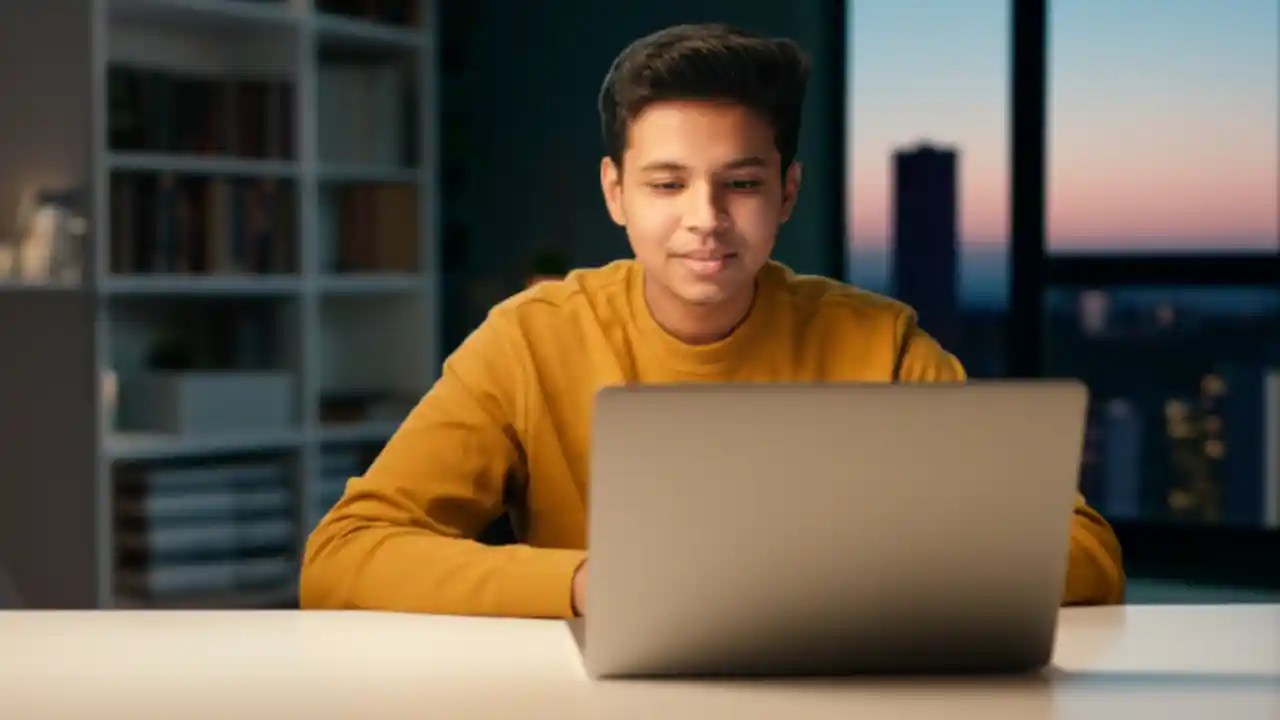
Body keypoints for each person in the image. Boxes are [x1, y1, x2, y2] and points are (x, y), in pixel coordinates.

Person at [300, 23, 1125, 618]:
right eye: (667, 184)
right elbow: (342, 555)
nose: (707, 219)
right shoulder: (532, 336)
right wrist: (589, 585)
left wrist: (845, 578)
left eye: (741, 182)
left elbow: (1086, 554)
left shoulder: (881, 340)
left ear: (787, 193)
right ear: (615, 192)